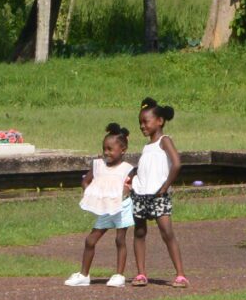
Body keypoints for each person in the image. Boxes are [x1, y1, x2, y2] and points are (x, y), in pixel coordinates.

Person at [66, 123, 135, 287]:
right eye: (104, 148)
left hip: (121, 207)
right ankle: (84, 275)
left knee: (120, 239)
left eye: (110, 149)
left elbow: (131, 186)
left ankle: (119, 275)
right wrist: (93, 194)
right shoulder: (98, 165)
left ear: (123, 150)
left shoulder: (127, 169)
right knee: (90, 240)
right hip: (105, 209)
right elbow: (85, 181)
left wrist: (127, 190)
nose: (106, 152)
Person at [129, 101, 187, 287]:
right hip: (141, 195)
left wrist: (165, 187)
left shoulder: (164, 141)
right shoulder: (147, 146)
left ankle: (180, 275)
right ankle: (141, 273)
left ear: (160, 121)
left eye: (145, 121)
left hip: (158, 196)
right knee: (139, 232)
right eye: (140, 122)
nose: (142, 126)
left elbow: (177, 164)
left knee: (167, 232)